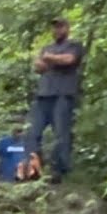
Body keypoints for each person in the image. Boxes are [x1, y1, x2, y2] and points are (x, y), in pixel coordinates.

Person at [26, 17, 85, 184]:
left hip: (63, 95)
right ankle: (34, 169)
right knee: (31, 133)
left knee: (61, 134)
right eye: (54, 28)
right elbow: (38, 66)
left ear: (67, 28)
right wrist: (50, 59)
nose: (57, 30)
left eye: (60, 27)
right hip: (43, 95)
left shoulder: (74, 45)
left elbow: (69, 60)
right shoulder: (47, 48)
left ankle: (59, 171)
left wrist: (49, 58)